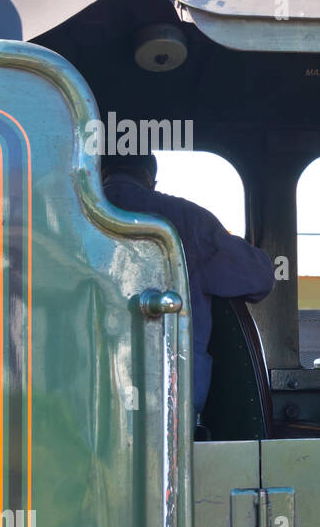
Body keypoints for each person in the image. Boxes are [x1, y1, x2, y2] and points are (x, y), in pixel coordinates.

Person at [102, 152, 275, 416]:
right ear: (150, 178)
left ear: (98, 171)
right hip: (169, 398)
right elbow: (260, 275)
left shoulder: (59, 218)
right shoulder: (189, 220)